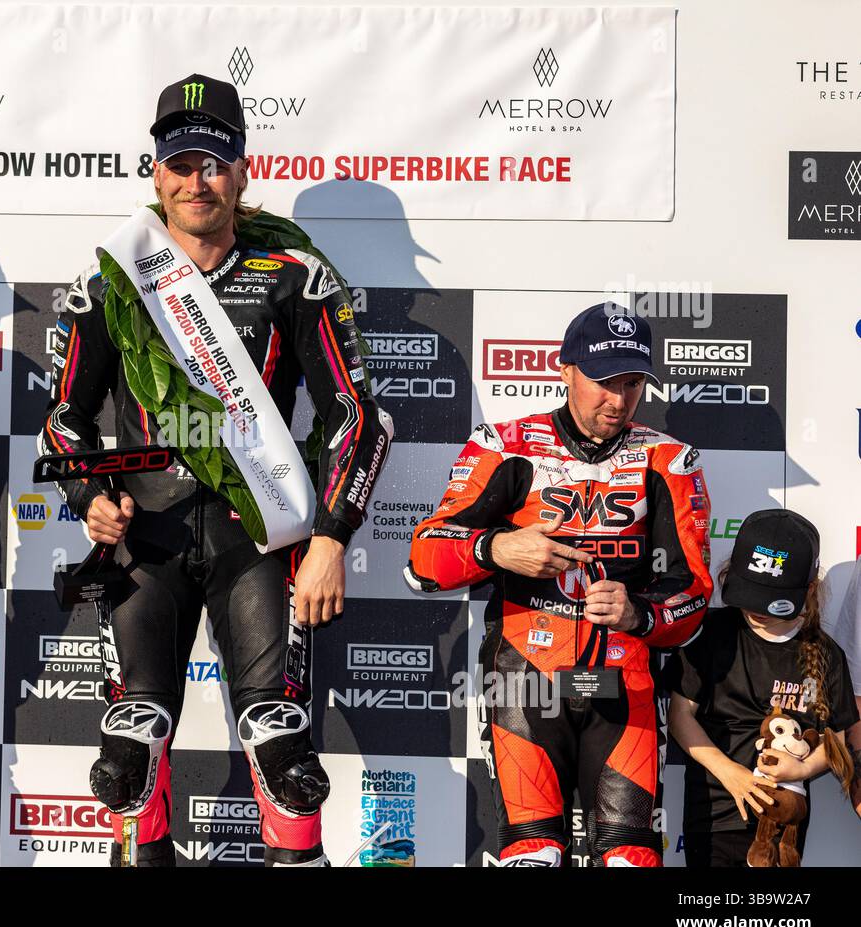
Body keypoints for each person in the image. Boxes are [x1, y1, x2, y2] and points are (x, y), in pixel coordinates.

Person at [41, 73, 393, 866]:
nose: (196, 181)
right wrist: (89, 494)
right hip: (148, 538)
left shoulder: (295, 275)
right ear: (156, 173)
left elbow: (357, 417)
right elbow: (65, 417)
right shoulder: (111, 281)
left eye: (213, 163)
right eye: (180, 162)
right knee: (128, 756)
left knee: (285, 754)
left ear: (240, 172)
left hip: (258, 536)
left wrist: (333, 537)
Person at [406, 303, 713, 866]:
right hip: (524, 680)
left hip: (625, 684)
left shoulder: (669, 459)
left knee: (630, 858)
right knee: (532, 854)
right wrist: (498, 548)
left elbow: (693, 591)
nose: (618, 400)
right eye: (604, 382)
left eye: (633, 383)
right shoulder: (505, 445)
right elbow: (424, 558)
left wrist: (640, 613)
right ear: (564, 368)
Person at [667, 509, 861, 867]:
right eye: (752, 594)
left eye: (770, 599)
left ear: (809, 590)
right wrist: (732, 775)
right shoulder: (711, 632)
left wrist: (802, 771)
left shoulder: (826, 653)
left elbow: (836, 736)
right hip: (713, 816)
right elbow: (680, 717)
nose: (757, 610)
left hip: (783, 826)